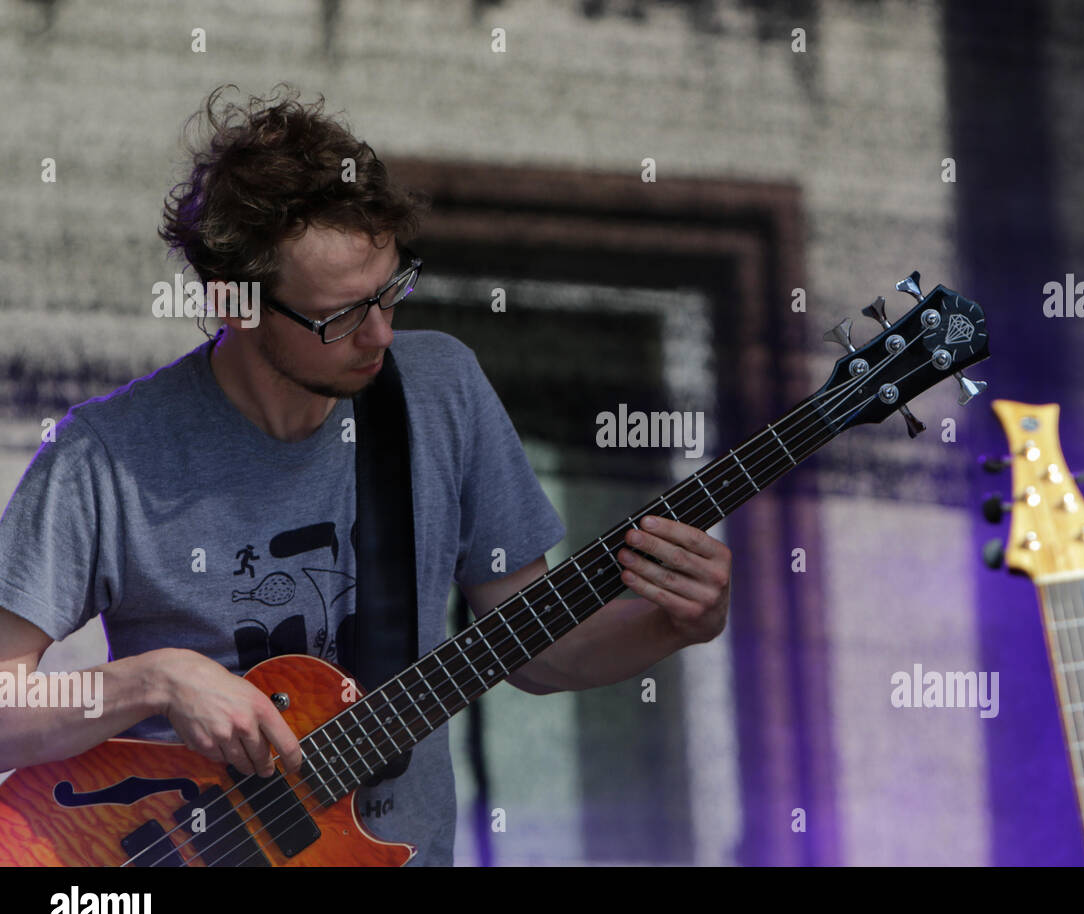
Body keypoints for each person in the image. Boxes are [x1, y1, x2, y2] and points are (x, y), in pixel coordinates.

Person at [0, 85, 731, 866]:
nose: (380, 332)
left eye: (390, 290)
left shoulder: (440, 390)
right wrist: (157, 682)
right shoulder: (105, 456)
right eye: (341, 314)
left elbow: (532, 649)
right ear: (237, 303)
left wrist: (676, 623)